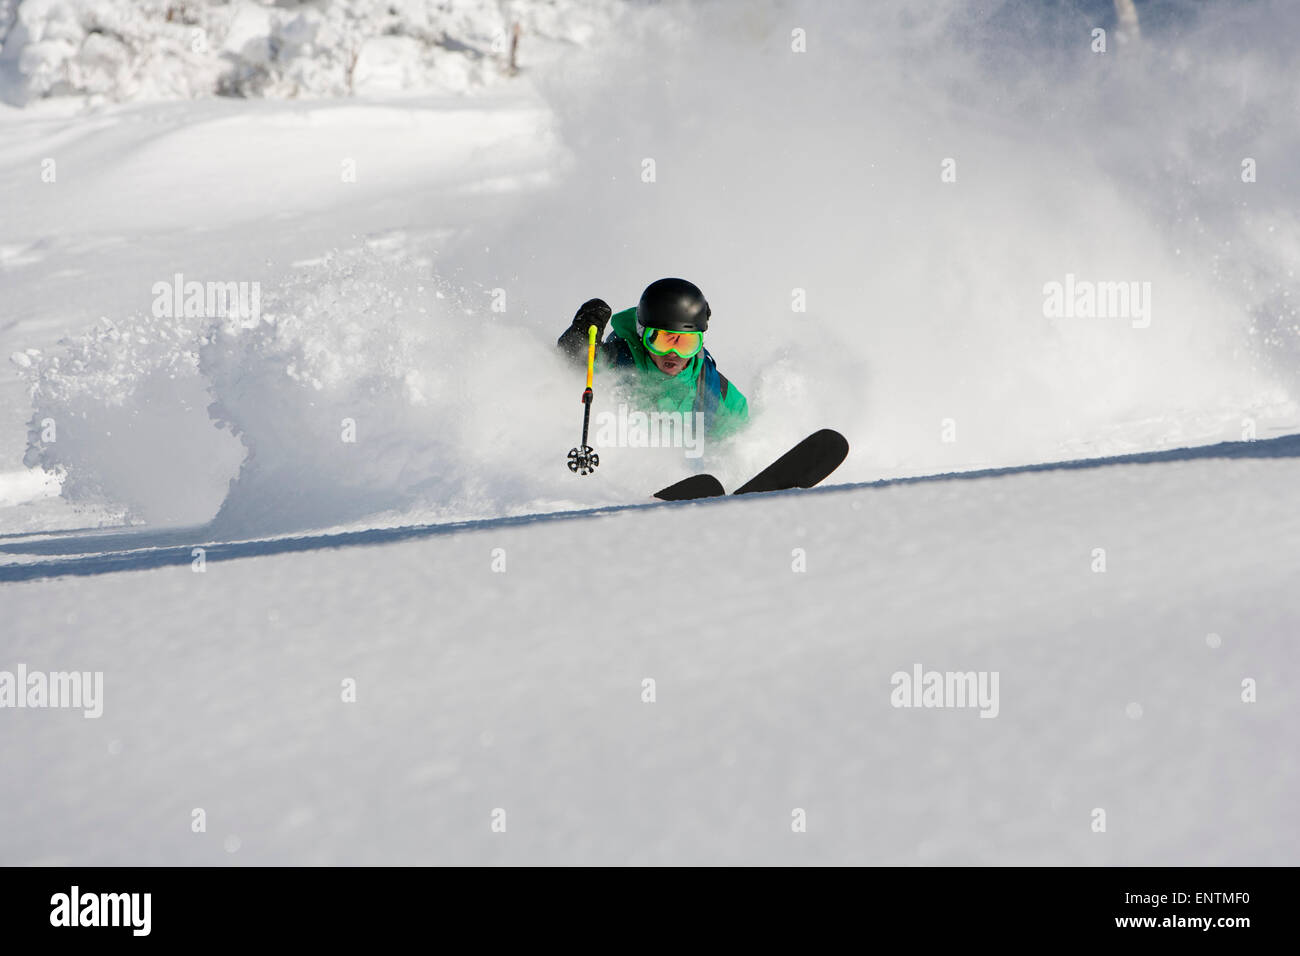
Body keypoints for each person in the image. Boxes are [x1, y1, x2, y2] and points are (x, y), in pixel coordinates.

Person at [557, 278, 749, 440]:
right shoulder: (617, 363)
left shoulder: (713, 389)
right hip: (621, 469)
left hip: (689, 474)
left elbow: (740, 435)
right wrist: (577, 341)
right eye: (663, 341)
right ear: (642, 335)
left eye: (686, 344)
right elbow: (568, 371)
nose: (673, 353)